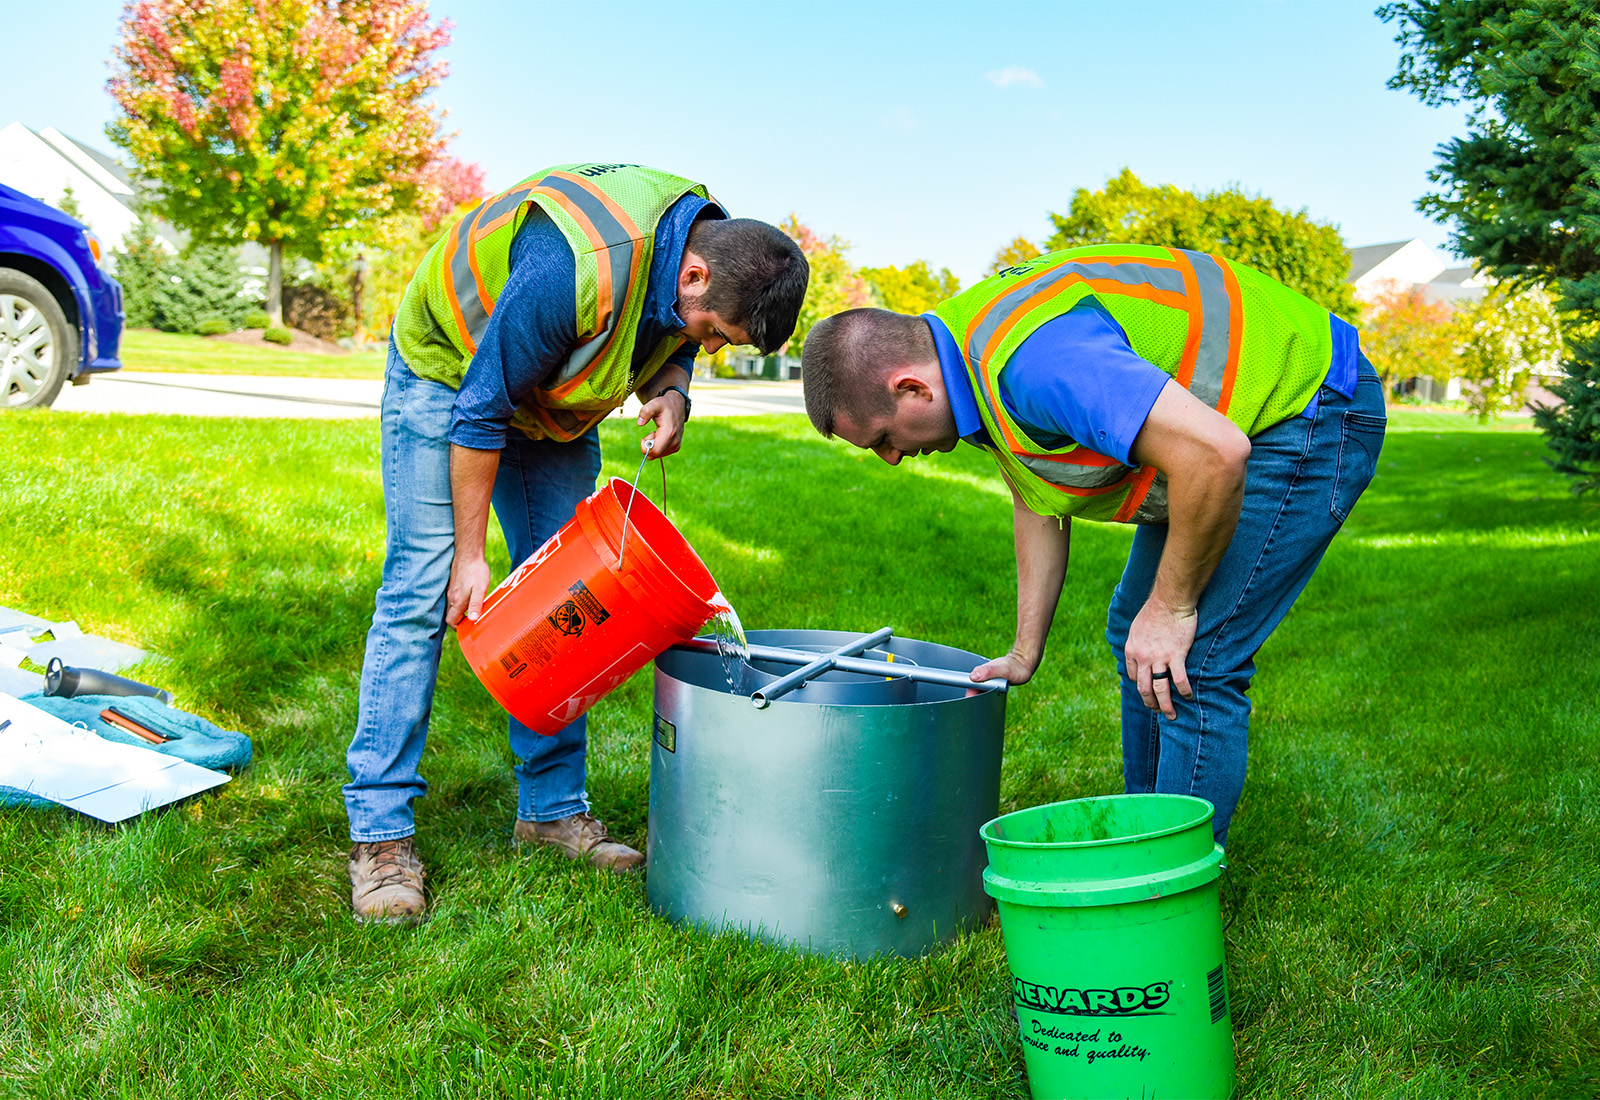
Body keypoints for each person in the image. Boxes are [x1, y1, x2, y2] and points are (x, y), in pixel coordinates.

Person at [800, 243, 1385, 848]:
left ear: (912, 389)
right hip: (1216, 436)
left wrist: (1174, 606)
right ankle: (1146, 840)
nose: (893, 457)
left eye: (883, 439)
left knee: (1193, 656)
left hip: (1305, 405)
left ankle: (1166, 890)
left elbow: (1215, 455)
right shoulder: (957, 360)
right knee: (1137, 632)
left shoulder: (1034, 364)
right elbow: (1036, 495)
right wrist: (1026, 650)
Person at [345, 162, 809, 923]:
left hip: (555, 398)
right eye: (714, 333)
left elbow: (675, 334)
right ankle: (380, 834)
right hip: (452, 371)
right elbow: (479, 409)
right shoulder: (575, 266)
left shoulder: (710, 256)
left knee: (579, 603)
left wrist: (673, 392)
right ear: (693, 274)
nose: (710, 345)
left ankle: (551, 812)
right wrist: (471, 556)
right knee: (422, 591)